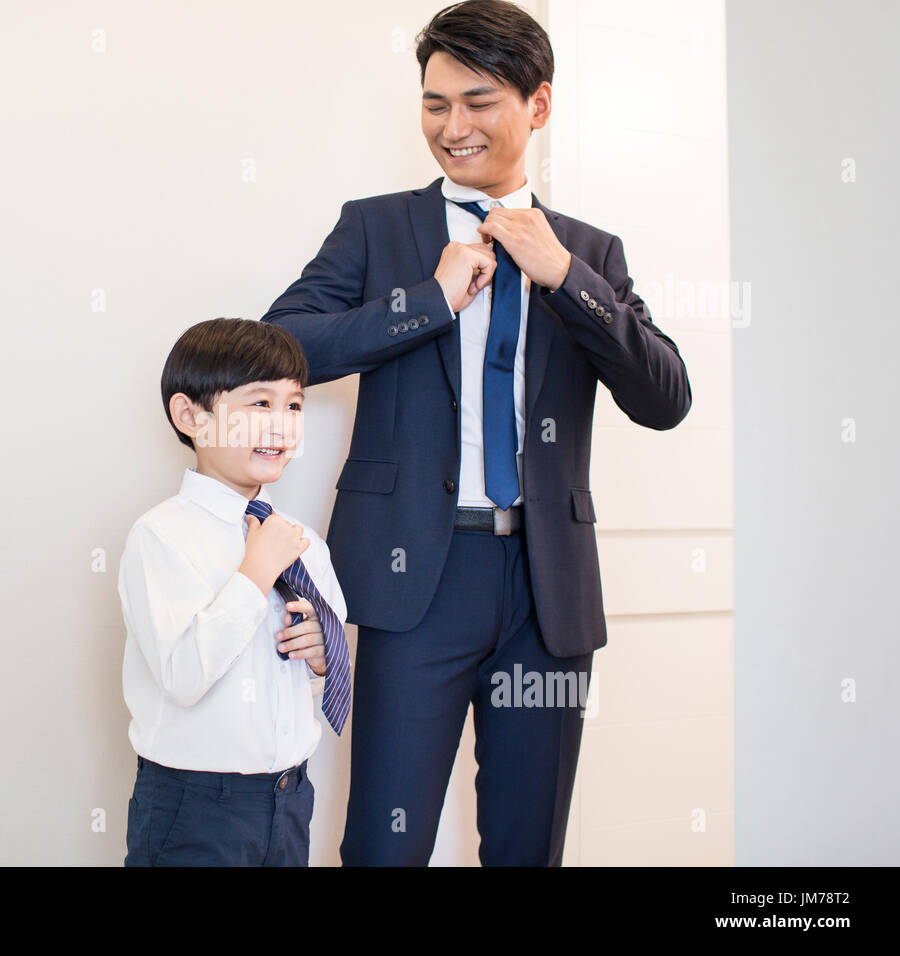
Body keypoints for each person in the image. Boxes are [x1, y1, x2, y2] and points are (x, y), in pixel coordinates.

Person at [261, 0, 691, 865]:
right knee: (385, 847)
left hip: (549, 590)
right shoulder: (376, 228)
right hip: (415, 577)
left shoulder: (590, 251)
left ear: (537, 105)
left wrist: (565, 278)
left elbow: (664, 395)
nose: (452, 127)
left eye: (478, 100)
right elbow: (284, 346)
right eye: (434, 103)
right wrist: (425, 300)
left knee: (528, 847)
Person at [118, 317, 350, 866]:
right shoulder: (161, 536)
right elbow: (184, 676)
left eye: (293, 406)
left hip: (289, 799)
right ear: (191, 416)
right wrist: (254, 574)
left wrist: (323, 657)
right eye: (258, 404)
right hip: (195, 806)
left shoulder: (305, 542)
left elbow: (320, 674)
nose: (281, 425)